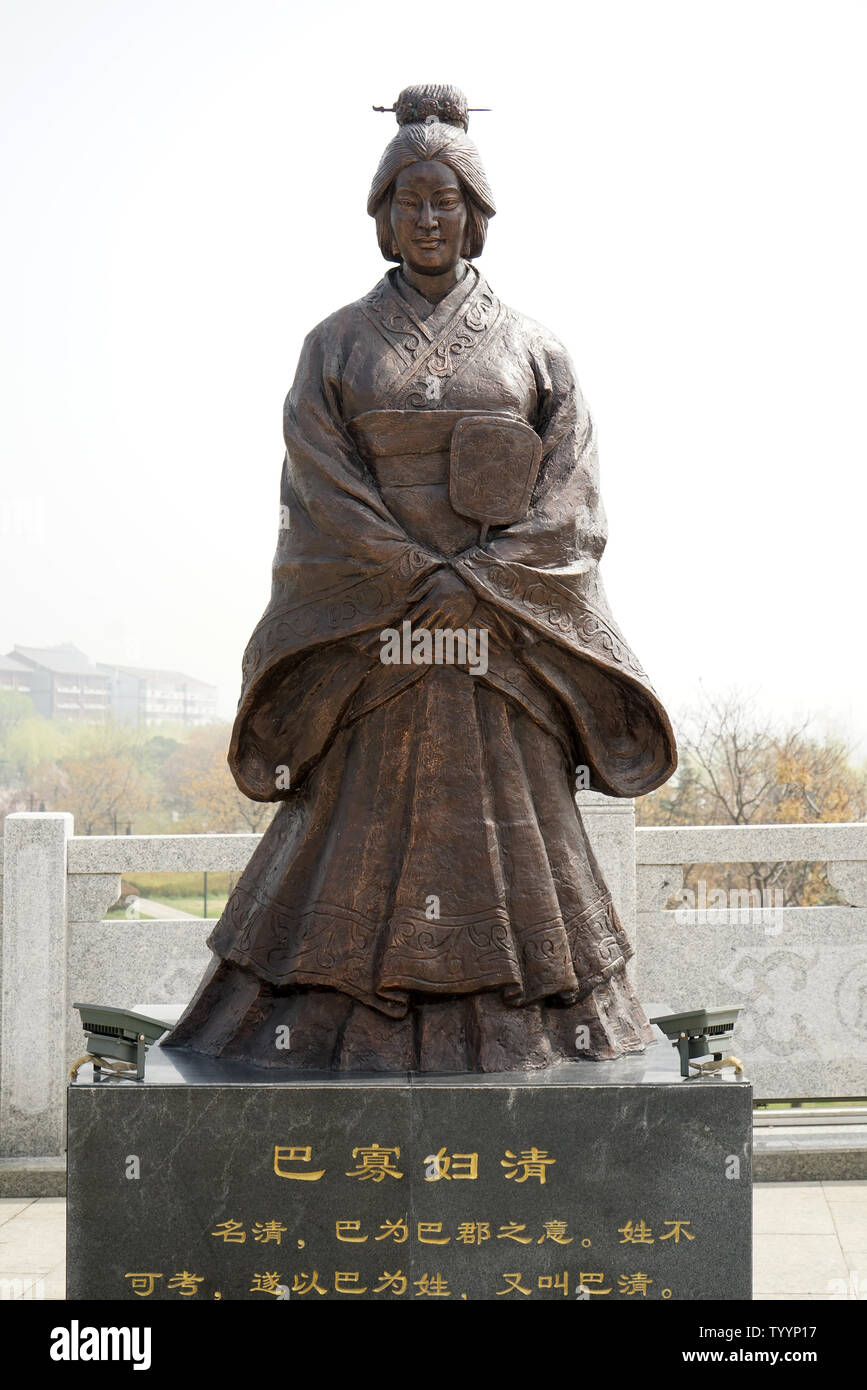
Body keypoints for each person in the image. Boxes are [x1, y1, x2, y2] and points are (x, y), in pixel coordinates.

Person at [164, 84, 677, 1072]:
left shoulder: (536, 348)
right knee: (350, 829)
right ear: (382, 216)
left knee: (515, 838)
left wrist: (483, 575)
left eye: (446, 201)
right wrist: (413, 572)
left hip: (499, 634)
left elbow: (571, 496)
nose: (428, 218)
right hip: (378, 633)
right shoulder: (337, 346)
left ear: (476, 216)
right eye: (409, 201)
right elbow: (319, 484)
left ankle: (535, 1033)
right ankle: (318, 1033)